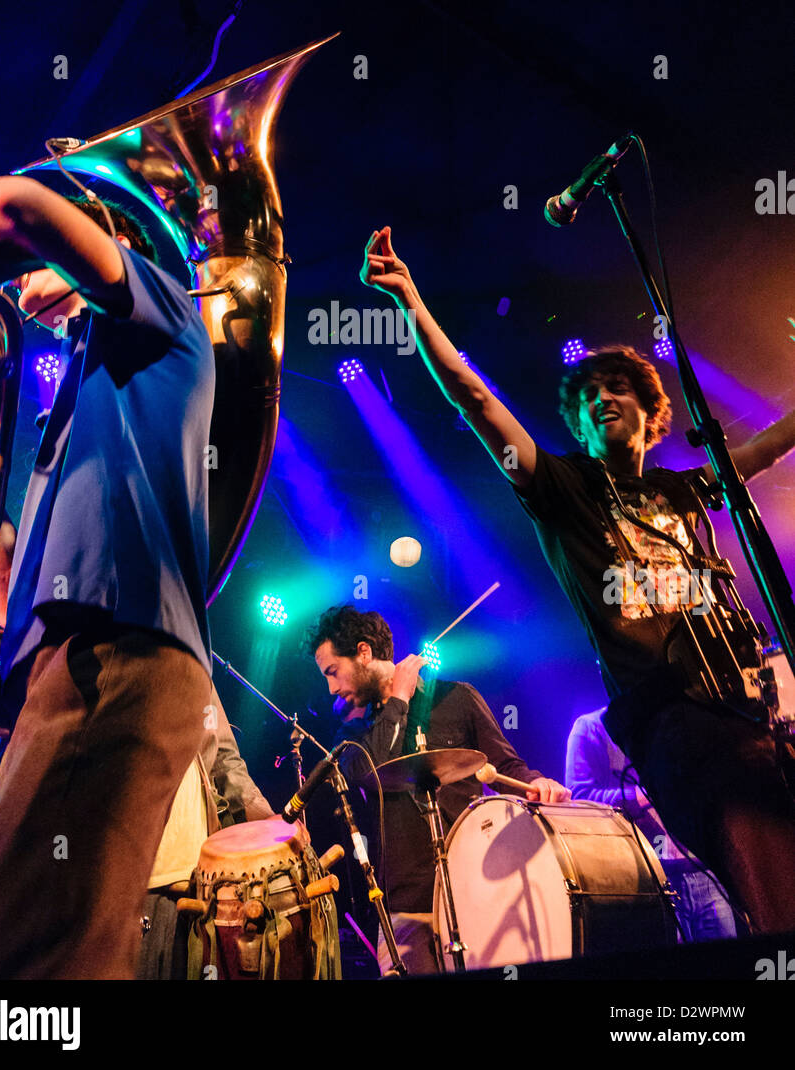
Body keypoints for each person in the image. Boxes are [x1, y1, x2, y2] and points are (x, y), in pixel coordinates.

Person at [358, 225, 795, 933]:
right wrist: (412, 303)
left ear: (655, 416)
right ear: (578, 424)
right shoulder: (564, 489)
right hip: (672, 723)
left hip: (740, 708)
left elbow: (765, 450)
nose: (603, 400)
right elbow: (474, 399)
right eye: (588, 396)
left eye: (619, 388)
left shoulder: (684, 492)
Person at [0, 176, 216, 978]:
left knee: (14, 964)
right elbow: (2, 588)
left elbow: (20, 208)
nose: (19, 279)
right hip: (72, 668)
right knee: (35, 957)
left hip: (115, 660)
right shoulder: (86, 406)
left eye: (36, 262)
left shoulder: (168, 315)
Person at [307, 604, 570, 976]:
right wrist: (398, 699)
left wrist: (536, 782)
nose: (332, 687)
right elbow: (376, 769)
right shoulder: (352, 732)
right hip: (404, 910)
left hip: (475, 893)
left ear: (364, 653)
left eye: (333, 672)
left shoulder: (457, 698)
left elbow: (506, 767)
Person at [137, 684, 275, 980]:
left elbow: (224, 757)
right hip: (135, 880)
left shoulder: (197, 664)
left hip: (197, 881)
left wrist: (267, 820)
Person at [565, 707, 738, 942]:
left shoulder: (676, 722)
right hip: (649, 880)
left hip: (705, 872)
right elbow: (579, 798)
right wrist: (642, 796)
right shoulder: (590, 728)